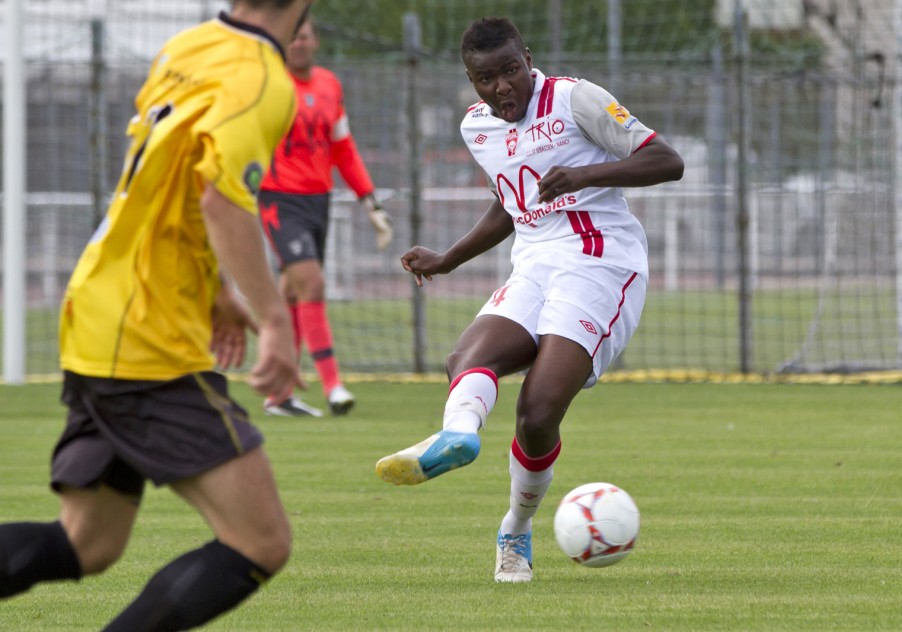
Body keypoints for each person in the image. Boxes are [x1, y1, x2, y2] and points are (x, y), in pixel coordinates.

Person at [0, 2, 312, 629]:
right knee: (259, 542)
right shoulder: (262, 80)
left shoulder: (190, 45)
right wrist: (274, 320)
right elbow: (221, 201)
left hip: (98, 305)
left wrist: (217, 287)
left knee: (89, 541)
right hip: (146, 329)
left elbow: (170, 183)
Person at [375, 17, 684, 583]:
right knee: (465, 358)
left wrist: (586, 174)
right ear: (471, 80)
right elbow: (509, 202)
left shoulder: (575, 100)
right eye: (485, 78)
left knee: (538, 411)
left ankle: (515, 526)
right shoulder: (477, 128)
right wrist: (448, 258)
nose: (502, 88)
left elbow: (667, 161)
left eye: (510, 71)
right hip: (536, 261)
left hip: (600, 262)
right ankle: (459, 436)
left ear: (528, 59)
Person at [258, 16, 393, 418]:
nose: (298, 43)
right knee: (312, 284)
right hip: (278, 199)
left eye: (305, 36)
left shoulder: (330, 85)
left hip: (318, 201)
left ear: (316, 41)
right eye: (292, 36)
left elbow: (343, 148)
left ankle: (279, 395)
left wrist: (370, 202)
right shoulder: (267, 84)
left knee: (292, 294)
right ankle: (333, 386)